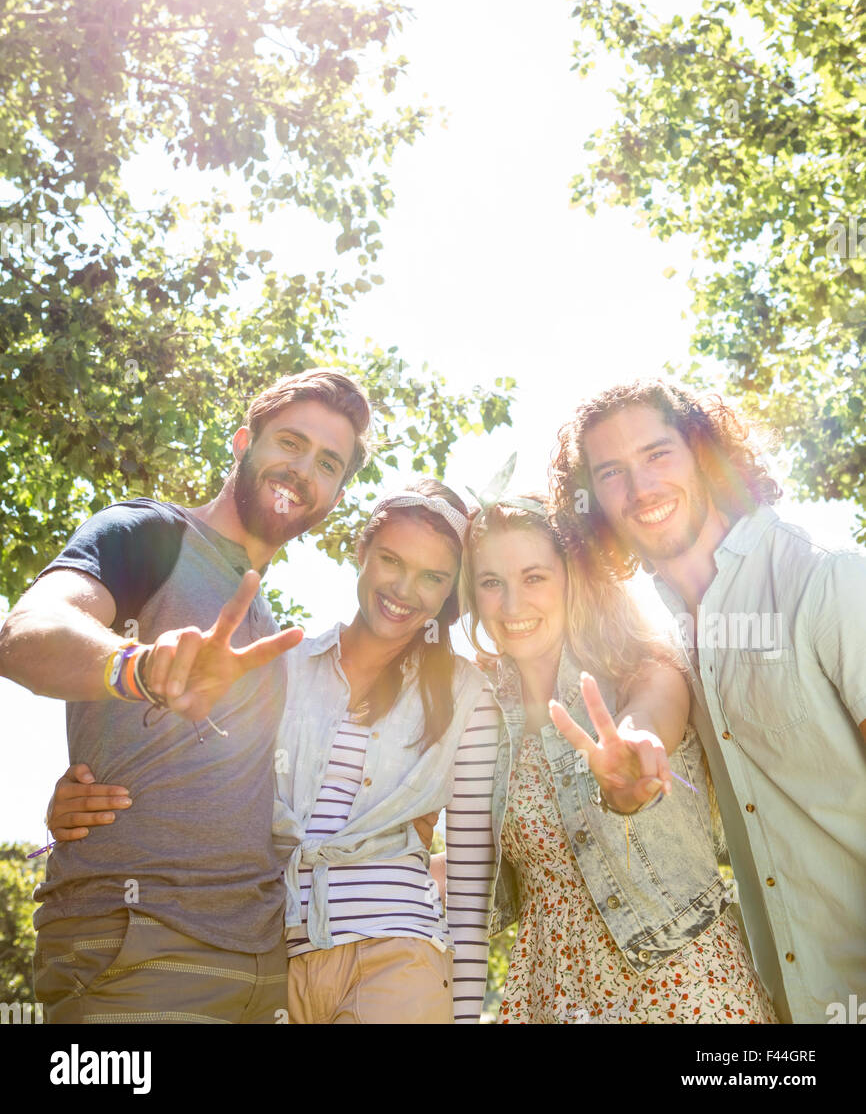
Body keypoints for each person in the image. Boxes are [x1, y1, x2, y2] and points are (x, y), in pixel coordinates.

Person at [48, 479, 497, 1024]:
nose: (404, 589)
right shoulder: (281, 666)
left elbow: (474, 873)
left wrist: (469, 1014)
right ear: (362, 552)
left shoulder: (470, 698)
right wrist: (79, 801)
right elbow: (196, 778)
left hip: (397, 952)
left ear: (451, 591)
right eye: (391, 560)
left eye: (433, 577)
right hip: (275, 961)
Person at [0, 367, 372, 1024]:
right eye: (289, 442)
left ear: (336, 496)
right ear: (241, 443)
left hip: (262, 970)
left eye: (327, 462)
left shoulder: (265, 629)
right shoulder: (149, 535)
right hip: (141, 950)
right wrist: (137, 668)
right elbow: (26, 635)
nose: (301, 470)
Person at [548, 378, 866, 1024]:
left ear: (702, 452)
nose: (640, 490)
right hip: (786, 1005)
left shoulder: (824, 576)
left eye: (658, 454)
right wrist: (627, 780)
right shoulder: (659, 640)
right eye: (611, 474)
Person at [461, 493, 777, 1024]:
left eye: (534, 577)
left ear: (572, 579)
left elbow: (647, 722)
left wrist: (634, 761)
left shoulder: (643, 669)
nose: (511, 606)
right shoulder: (482, 713)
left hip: (682, 992)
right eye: (492, 583)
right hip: (551, 994)